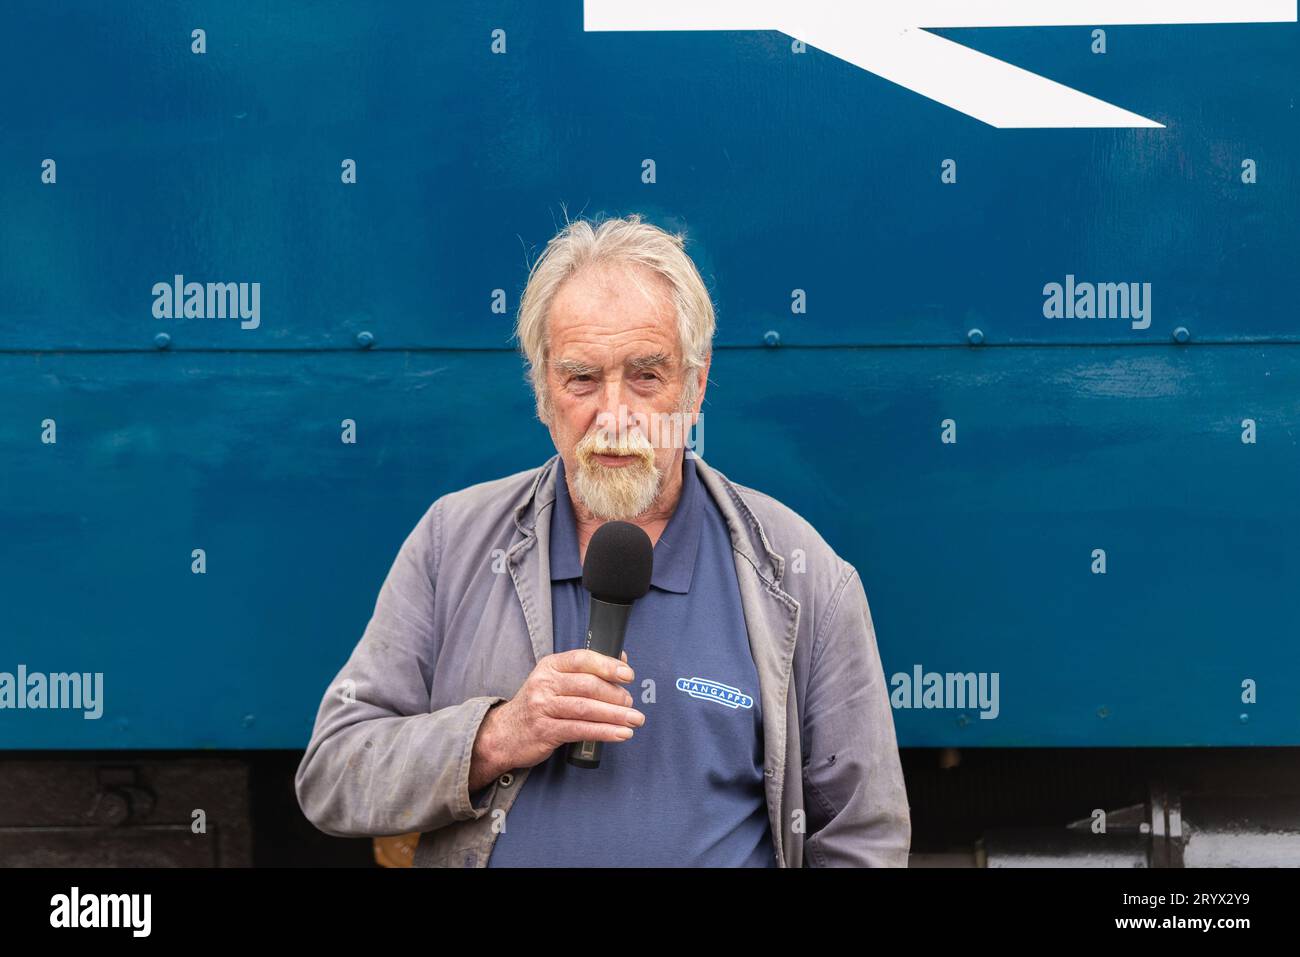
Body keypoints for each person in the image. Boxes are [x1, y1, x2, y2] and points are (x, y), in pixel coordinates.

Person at [295, 213, 911, 867]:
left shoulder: (800, 573)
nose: (614, 413)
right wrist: (500, 733)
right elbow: (333, 776)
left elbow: (862, 838)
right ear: (542, 392)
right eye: (582, 378)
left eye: (646, 376)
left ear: (695, 387)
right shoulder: (452, 542)